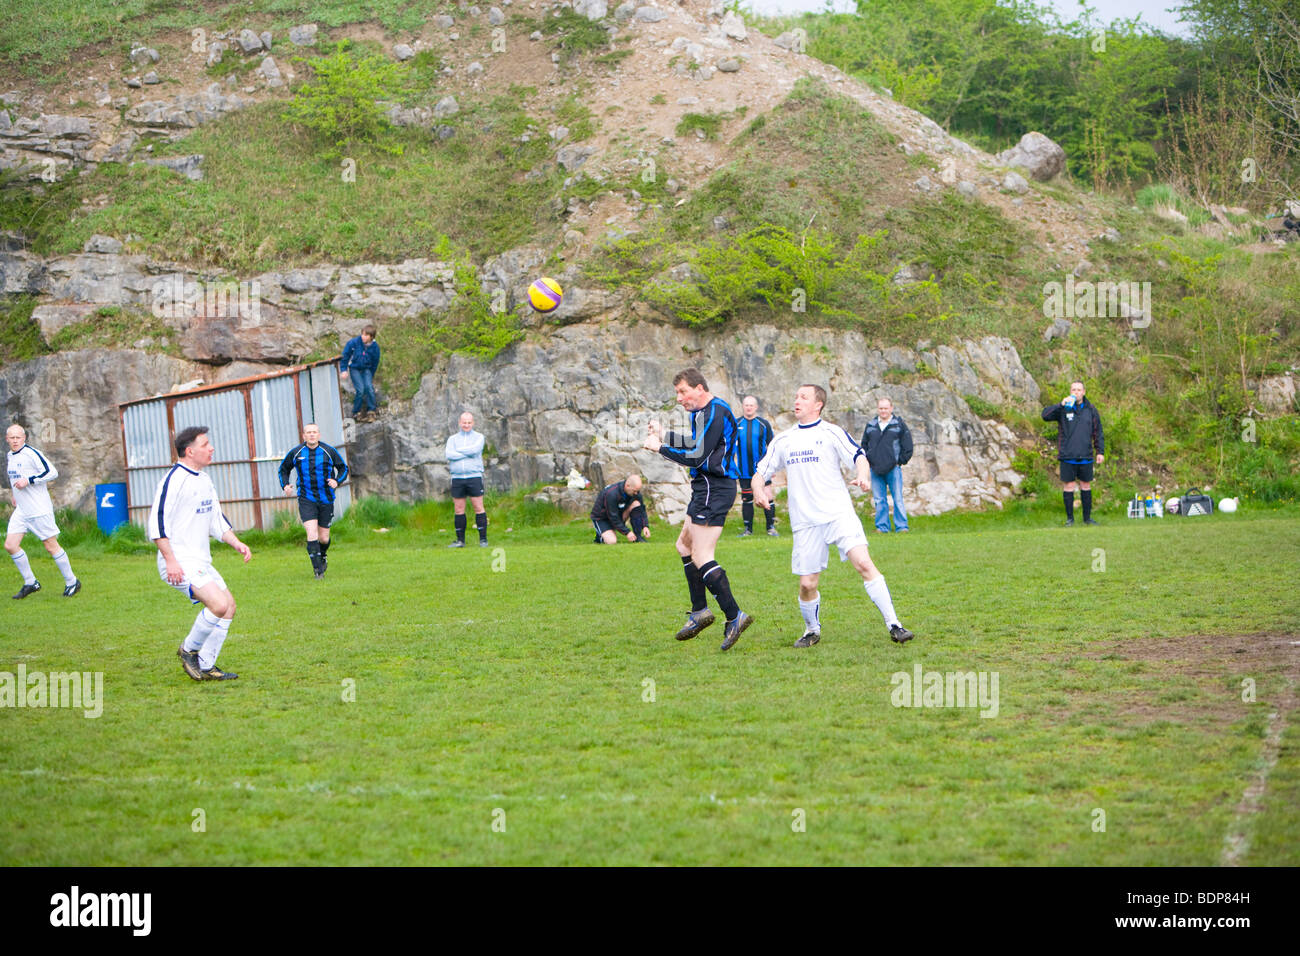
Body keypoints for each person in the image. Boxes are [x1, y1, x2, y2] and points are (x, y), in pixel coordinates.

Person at [754, 385, 915, 648]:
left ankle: (895, 625)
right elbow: (761, 471)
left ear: (818, 404)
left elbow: (859, 456)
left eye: (803, 397)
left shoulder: (831, 432)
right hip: (805, 521)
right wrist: (759, 489)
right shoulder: (784, 440)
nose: (797, 400)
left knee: (863, 563)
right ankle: (811, 630)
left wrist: (862, 476)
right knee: (807, 584)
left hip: (838, 513)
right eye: (796, 396)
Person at [643, 368, 754, 651]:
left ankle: (734, 615)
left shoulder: (715, 412)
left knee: (702, 555)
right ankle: (700, 611)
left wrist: (659, 448)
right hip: (704, 488)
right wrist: (665, 434)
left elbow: (695, 456)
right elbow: (695, 443)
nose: (679, 399)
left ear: (700, 388)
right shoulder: (701, 412)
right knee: (683, 545)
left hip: (715, 489)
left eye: (683, 392)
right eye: (677, 393)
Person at [148, 425, 252, 681]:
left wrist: (236, 542)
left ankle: (205, 665)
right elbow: (157, 524)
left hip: (200, 560)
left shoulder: (204, 479)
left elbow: (216, 521)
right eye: (205, 444)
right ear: (189, 451)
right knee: (218, 604)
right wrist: (170, 560)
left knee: (229, 608)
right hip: (178, 560)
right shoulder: (173, 480)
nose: (211, 448)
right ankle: (189, 650)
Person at [5, 424, 81, 599]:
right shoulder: (10, 455)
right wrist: (15, 494)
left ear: (24, 438)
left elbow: (52, 472)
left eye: (18, 437)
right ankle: (31, 582)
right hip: (22, 510)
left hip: (38, 509)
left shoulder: (32, 453)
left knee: (50, 545)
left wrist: (29, 480)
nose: (15, 441)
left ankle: (72, 582)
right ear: (7, 439)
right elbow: (16, 476)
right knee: (10, 545)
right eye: (12, 437)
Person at [278, 423, 349, 579]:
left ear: (319, 435)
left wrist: (337, 481)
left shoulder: (329, 451)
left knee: (323, 538)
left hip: (326, 498)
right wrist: (285, 486)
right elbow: (283, 469)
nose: (311, 435)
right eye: (308, 432)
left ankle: (322, 555)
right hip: (306, 498)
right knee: (312, 533)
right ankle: (318, 571)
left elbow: (344, 468)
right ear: (304, 435)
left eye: (314, 432)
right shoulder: (296, 452)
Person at [1042, 381, 1105, 526]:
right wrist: (1060, 404)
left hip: (1086, 455)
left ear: (1083, 392)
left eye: (1079, 390)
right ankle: (1070, 519)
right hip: (1067, 454)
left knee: (1085, 485)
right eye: (1073, 389)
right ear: (1070, 391)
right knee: (1069, 486)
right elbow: (1044, 415)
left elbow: (1098, 432)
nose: (1076, 392)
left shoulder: (1091, 409)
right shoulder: (1063, 408)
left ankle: (1087, 519)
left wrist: (1100, 451)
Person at [861, 397, 914, 533]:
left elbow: (907, 446)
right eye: (881, 408)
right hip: (875, 469)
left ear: (891, 408)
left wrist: (899, 461)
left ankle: (902, 527)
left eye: (886, 408)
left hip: (893, 469)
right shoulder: (871, 425)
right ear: (878, 409)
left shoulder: (899, 425)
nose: (883, 411)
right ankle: (882, 527)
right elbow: (864, 445)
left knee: (898, 499)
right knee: (879, 500)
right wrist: (869, 461)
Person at [736, 395, 777, 537]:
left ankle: (771, 528)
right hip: (743, 470)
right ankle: (748, 529)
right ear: (743, 406)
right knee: (747, 499)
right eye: (746, 405)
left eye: (751, 405)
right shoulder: (736, 423)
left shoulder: (763, 424)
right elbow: (728, 446)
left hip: (762, 470)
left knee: (767, 496)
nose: (748, 407)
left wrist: (772, 468)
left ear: (756, 407)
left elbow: (772, 447)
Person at [446, 411, 489, 548]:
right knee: (459, 509)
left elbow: (475, 451)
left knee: (478, 507)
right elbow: (449, 454)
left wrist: (459, 451)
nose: (466, 425)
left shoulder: (479, 437)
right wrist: (466, 452)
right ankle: (460, 541)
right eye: (464, 422)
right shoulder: (452, 439)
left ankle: (483, 540)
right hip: (457, 478)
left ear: (473, 423)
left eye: (469, 422)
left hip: (474, 476)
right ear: (459, 423)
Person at [590, 474, 650, 543]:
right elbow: (613, 517)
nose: (636, 493)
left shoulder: (635, 493)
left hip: (618, 514)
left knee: (636, 504)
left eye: (637, 491)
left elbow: (642, 509)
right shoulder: (612, 494)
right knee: (612, 541)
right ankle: (599, 535)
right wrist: (627, 532)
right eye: (634, 491)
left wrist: (645, 525)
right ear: (627, 486)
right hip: (602, 518)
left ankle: (638, 537)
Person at [340, 324, 381, 422]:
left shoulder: (375, 347)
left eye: (366, 335)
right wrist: (344, 370)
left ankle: (371, 411)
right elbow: (345, 356)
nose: (363, 337)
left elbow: (375, 362)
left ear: (371, 337)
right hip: (355, 368)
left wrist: (371, 374)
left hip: (366, 369)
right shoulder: (354, 343)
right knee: (361, 390)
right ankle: (356, 412)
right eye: (362, 334)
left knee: (369, 388)